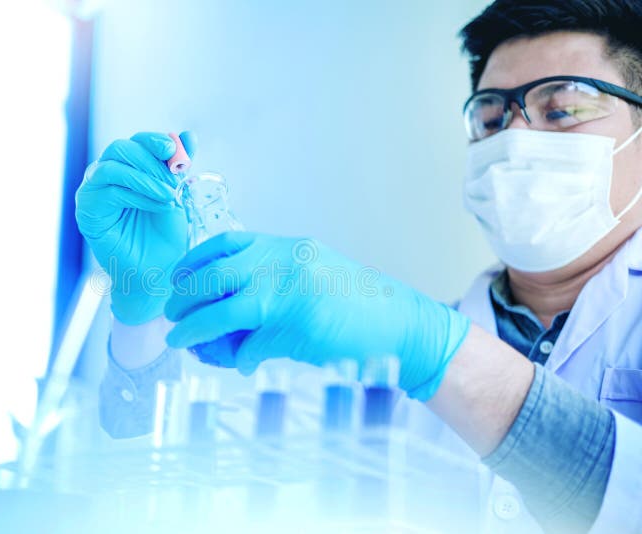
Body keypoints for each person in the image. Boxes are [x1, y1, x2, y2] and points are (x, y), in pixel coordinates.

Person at [74, 1, 642, 532]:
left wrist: (438, 352)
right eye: (492, 119)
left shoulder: (413, 340)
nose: (515, 139)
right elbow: (176, 473)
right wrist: (145, 309)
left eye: (562, 110)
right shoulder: (378, 368)